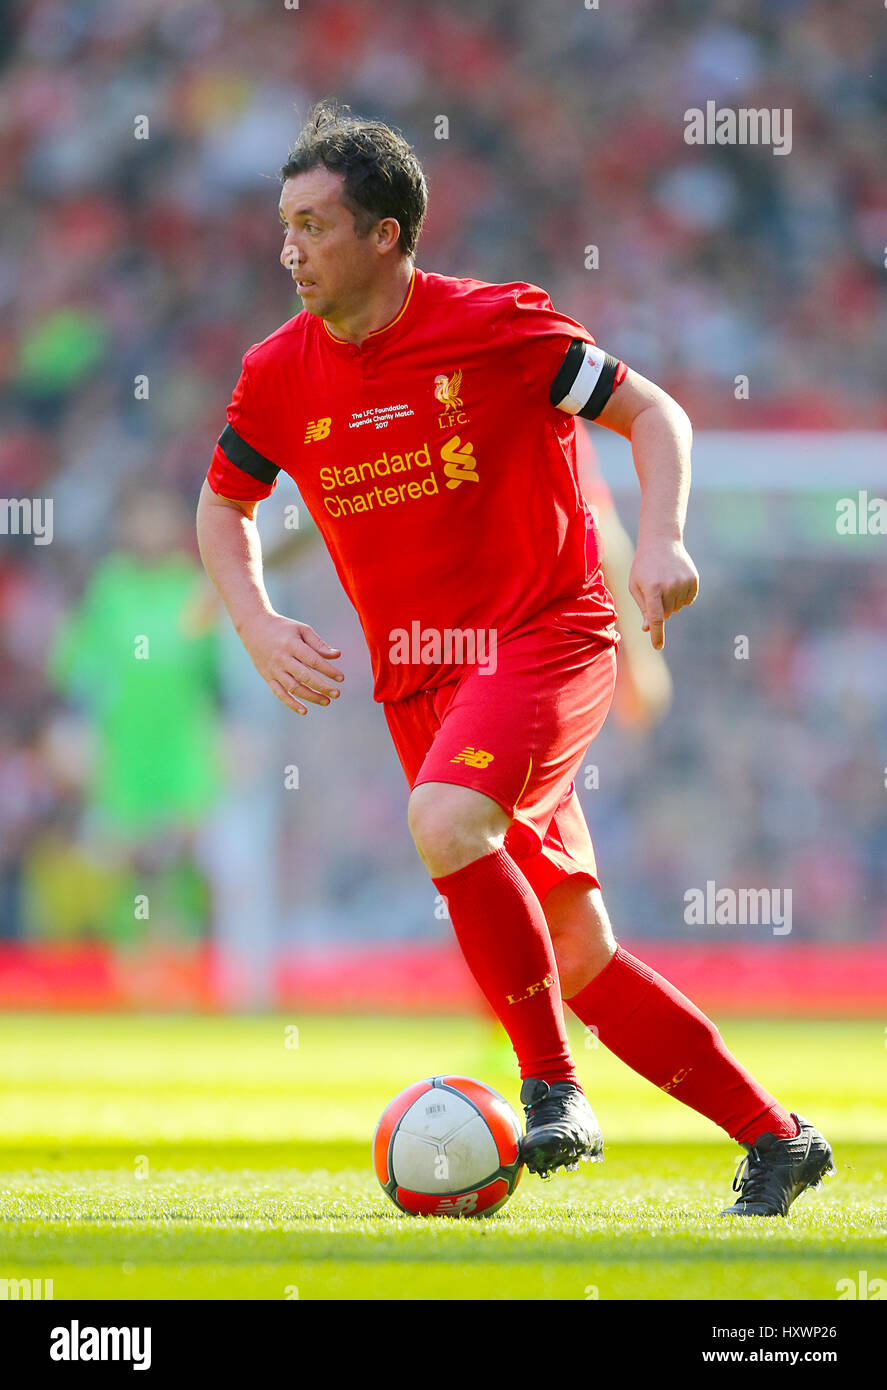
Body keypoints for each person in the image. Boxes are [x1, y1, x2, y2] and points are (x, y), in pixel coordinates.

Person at [196, 102, 833, 1216]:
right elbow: (222, 506)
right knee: (577, 953)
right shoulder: (275, 374)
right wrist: (253, 619)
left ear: (385, 233)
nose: (288, 247)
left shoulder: (498, 328)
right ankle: (776, 1139)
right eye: (282, 223)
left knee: (445, 824)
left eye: (313, 223)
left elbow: (654, 414)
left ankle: (548, 1089)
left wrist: (666, 533)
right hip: (418, 683)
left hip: (547, 635)